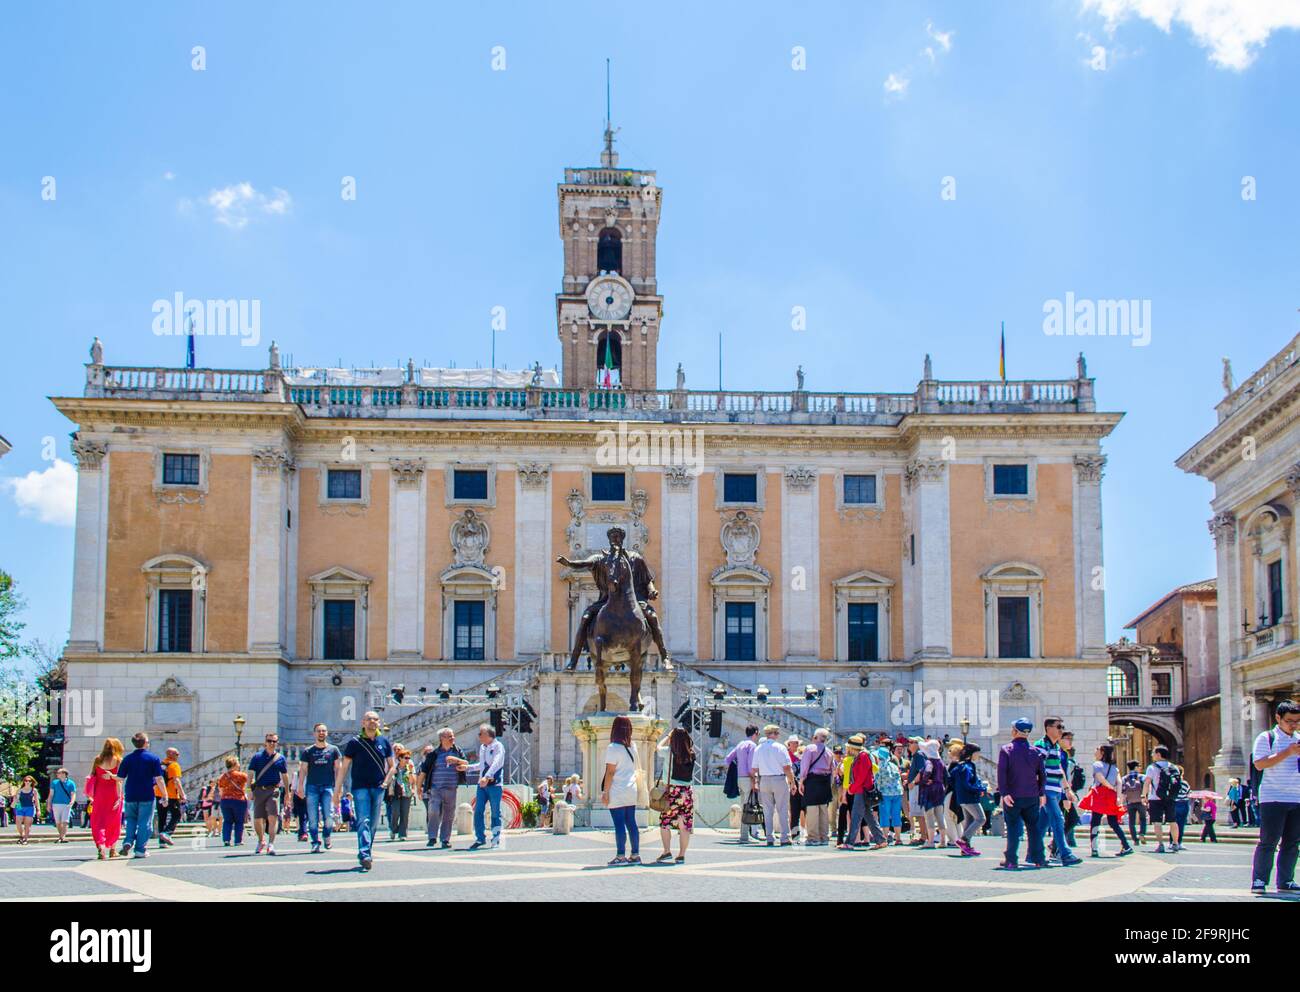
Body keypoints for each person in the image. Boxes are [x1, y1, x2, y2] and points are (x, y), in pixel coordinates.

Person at [1250, 699, 1300, 894]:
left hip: (1297, 797)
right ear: (1278, 718)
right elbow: (1260, 764)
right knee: (1268, 841)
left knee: (1292, 842)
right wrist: (1288, 752)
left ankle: (1286, 880)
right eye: (1289, 721)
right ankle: (1260, 880)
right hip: (1273, 797)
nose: (1294, 725)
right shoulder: (1266, 737)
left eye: (1297, 721)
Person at [336, 711, 395, 870]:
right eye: (369, 719)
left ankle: (366, 850)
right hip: (360, 787)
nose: (372, 722)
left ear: (379, 723)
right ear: (363, 722)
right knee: (364, 820)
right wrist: (338, 790)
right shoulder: (355, 742)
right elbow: (345, 767)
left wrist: (386, 782)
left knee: (374, 823)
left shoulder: (384, 741)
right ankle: (364, 854)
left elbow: (392, 765)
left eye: (375, 719)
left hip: (378, 787)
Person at [997, 717, 1047, 870]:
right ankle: (1039, 858)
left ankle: (1011, 859)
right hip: (1032, 795)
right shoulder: (1035, 751)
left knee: (1012, 828)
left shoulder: (1006, 750)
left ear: (1014, 731)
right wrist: (1041, 793)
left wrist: (1004, 793)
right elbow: (1042, 774)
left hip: (1013, 795)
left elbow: (1002, 773)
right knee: (1034, 828)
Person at [1033, 718, 1081, 866]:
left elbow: (1060, 770)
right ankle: (1065, 854)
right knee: (1059, 819)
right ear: (1048, 728)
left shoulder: (1056, 747)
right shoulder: (1041, 745)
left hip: (1055, 790)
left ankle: (1032, 855)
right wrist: (1040, 791)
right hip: (1047, 790)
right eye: (1058, 727)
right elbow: (1036, 768)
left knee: (1042, 825)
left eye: (1062, 727)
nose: (1061, 730)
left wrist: (1067, 790)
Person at [453, 723, 505, 851]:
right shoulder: (483, 747)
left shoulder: (498, 746)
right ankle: (480, 838)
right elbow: (482, 765)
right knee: (478, 811)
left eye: (480, 734)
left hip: (494, 784)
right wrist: (468, 768)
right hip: (481, 784)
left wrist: (487, 777)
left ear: (487, 735)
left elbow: (496, 764)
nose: (479, 736)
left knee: (495, 812)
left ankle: (496, 839)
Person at [116, 732, 167, 859]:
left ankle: (128, 841)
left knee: (131, 820)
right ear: (145, 743)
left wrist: (119, 794)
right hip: (146, 794)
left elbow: (120, 778)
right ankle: (140, 849)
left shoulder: (127, 759)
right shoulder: (153, 758)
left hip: (131, 794)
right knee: (145, 822)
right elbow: (159, 778)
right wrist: (164, 795)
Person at [601, 715, 641, 865]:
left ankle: (620, 856)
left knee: (619, 823)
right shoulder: (633, 746)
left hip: (617, 790)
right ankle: (635, 855)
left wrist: (605, 792)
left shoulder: (612, 748)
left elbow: (610, 772)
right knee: (631, 822)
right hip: (631, 789)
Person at [297, 723, 342, 854]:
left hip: (328, 786)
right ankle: (315, 842)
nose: (321, 733)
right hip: (312, 787)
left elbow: (338, 770)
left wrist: (339, 788)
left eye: (323, 731)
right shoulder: (308, 751)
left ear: (327, 733)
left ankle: (327, 835)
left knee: (329, 816)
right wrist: (300, 787)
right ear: (314, 733)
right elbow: (303, 770)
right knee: (312, 818)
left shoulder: (334, 750)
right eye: (318, 731)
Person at [417, 727, 464, 849]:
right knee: (434, 811)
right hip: (435, 788)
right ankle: (432, 837)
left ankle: (445, 839)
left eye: (453, 736)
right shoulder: (434, 754)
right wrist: (418, 788)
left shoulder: (458, 751)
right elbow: (423, 772)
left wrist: (457, 760)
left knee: (449, 814)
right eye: (449, 736)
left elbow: (466, 764)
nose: (453, 738)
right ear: (442, 739)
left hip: (452, 787)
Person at [1083, 743, 1133, 858]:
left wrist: (1110, 787)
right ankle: (1126, 845)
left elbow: (1101, 778)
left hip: (1100, 794)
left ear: (1102, 752)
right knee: (1113, 822)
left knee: (1095, 822)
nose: (1095, 751)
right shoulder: (1114, 767)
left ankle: (1094, 848)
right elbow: (1119, 782)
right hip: (1111, 795)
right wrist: (1118, 796)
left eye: (1097, 749)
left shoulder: (1097, 764)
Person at [751, 724, 797, 846]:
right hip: (779, 779)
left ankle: (769, 837)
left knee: (767, 810)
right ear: (775, 734)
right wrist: (792, 782)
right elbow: (787, 767)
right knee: (782, 809)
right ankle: (785, 837)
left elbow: (754, 769)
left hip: (764, 780)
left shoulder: (758, 748)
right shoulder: (780, 748)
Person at [654, 727, 696, 863]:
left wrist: (668, 736)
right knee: (684, 824)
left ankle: (667, 851)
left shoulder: (669, 752)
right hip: (687, 792)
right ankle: (681, 854)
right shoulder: (692, 754)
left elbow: (657, 747)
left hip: (672, 791)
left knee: (665, 822)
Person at [247, 732, 290, 855]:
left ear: (277, 743)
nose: (272, 743)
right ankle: (261, 840)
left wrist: (287, 792)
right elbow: (250, 773)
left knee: (273, 817)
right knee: (258, 819)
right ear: (265, 742)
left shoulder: (280, 758)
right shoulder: (257, 757)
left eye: (274, 741)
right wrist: (248, 789)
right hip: (259, 790)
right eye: (269, 741)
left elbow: (285, 775)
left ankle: (271, 844)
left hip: (274, 790)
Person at [842, 734, 887, 851]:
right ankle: (880, 840)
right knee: (868, 816)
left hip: (862, 790)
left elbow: (861, 777)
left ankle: (850, 842)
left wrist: (852, 788)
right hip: (863, 789)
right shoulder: (861, 756)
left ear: (852, 748)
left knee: (856, 816)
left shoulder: (862, 757)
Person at [86, 738, 124, 859]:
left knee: (98, 821)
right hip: (114, 793)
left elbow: (92, 775)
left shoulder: (98, 760)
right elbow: (119, 780)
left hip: (100, 794)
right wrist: (119, 797)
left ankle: (100, 846)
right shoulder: (118, 760)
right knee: (114, 822)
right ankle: (113, 849)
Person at [797, 728, 836, 846]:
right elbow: (832, 769)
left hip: (812, 781)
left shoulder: (810, 749)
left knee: (812, 810)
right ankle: (824, 837)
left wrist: (801, 782)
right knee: (823, 810)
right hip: (825, 781)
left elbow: (804, 767)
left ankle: (813, 838)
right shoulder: (829, 751)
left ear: (815, 737)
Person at [1141, 744, 1183, 854]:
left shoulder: (1152, 767)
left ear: (1159, 754)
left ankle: (1160, 844)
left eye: (1153, 753)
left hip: (1155, 798)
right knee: (1173, 821)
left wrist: (1143, 796)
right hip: (1171, 797)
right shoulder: (1174, 767)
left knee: (1157, 822)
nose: (1152, 755)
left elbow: (1147, 782)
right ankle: (1175, 843)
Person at [724, 726, 760, 844]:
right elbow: (751, 766)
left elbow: (727, 759)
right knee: (749, 807)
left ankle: (744, 835)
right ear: (755, 733)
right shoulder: (752, 746)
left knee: (744, 806)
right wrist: (754, 780)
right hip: (748, 778)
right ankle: (745, 836)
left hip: (739, 778)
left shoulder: (740, 744)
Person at [951, 743, 988, 856]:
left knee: (969, 821)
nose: (978, 756)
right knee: (981, 819)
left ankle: (965, 848)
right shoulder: (967, 767)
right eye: (977, 753)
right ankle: (963, 840)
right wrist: (980, 788)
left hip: (963, 797)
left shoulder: (963, 766)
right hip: (969, 797)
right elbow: (967, 784)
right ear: (972, 754)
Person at [150, 747, 185, 848]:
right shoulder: (174, 765)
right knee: (177, 815)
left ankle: (162, 842)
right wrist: (183, 794)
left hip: (159, 793)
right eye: (177, 754)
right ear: (172, 755)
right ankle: (167, 833)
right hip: (171, 795)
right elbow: (176, 781)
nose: (178, 756)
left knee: (162, 817)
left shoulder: (160, 764)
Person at [875, 743, 905, 845]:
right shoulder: (893, 765)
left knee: (885, 815)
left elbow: (877, 782)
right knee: (896, 814)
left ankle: (885, 837)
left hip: (885, 793)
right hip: (897, 792)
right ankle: (898, 838)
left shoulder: (879, 767)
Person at [905, 737, 931, 847]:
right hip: (915, 787)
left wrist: (913, 782)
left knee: (919, 813)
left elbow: (922, 770)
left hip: (917, 787)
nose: (909, 744)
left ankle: (924, 836)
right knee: (918, 813)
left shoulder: (919, 755)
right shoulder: (916, 756)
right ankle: (924, 835)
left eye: (911, 742)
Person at [385, 745, 415, 842]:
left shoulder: (410, 768)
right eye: (406, 758)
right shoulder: (394, 768)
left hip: (407, 792)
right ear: (400, 758)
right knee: (395, 812)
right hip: (395, 793)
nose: (408, 760)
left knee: (405, 814)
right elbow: (388, 777)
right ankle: (393, 829)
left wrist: (410, 771)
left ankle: (403, 834)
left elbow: (412, 780)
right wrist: (385, 784)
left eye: (409, 758)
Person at [217, 755, 249, 846]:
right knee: (239, 821)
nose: (239, 765)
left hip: (225, 800)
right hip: (238, 800)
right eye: (238, 763)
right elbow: (251, 782)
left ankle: (226, 840)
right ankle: (238, 840)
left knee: (227, 820)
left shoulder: (222, 776)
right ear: (234, 764)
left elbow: (221, 790)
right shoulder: (241, 775)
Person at [1121, 760, 1147, 845]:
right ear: (1135, 767)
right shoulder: (1142, 777)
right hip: (1141, 801)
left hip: (1130, 802)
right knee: (1143, 818)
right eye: (1139, 766)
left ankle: (1135, 839)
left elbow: (1123, 791)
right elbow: (1147, 787)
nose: (1140, 767)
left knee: (1131, 821)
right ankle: (1142, 833)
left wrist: (1122, 802)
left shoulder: (1124, 778)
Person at [47, 768, 77, 843]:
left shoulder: (71, 783)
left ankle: (63, 837)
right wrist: (48, 804)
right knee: (58, 822)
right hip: (56, 804)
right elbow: (51, 794)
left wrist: (72, 802)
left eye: (59, 773)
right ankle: (61, 835)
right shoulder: (54, 783)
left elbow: (73, 794)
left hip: (66, 804)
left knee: (65, 821)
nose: (57, 774)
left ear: (64, 774)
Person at [785, 736, 803, 840]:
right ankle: (791, 832)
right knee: (791, 810)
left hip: (795, 784)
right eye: (794, 743)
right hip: (787, 783)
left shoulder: (798, 756)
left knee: (795, 810)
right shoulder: (786, 754)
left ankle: (795, 832)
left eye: (797, 743)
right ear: (789, 744)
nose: (796, 745)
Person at [13, 775, 39, 845]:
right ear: (24, 781)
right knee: (18, 823)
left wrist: (38, 810)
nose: (27, 782)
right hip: (20, 807)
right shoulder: (20, 790)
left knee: (27, 825)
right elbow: (16, 799)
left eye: (29, 781)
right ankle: (22, 835)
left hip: (30, 807)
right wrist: (15, 804)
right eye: (26, 780)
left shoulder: (34, 790)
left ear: (31, 782)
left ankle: (25, 839)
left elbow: (36, 801)